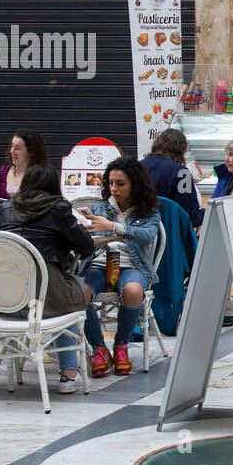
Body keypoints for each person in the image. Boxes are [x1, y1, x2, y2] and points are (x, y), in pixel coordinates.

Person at [0, 164, 94, 390]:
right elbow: (86, 247)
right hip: (46, 301)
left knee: (61, 290)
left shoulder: (6, 208)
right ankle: (69, 373)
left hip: (5, 302)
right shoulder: (58, 208)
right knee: (78, 291)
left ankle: (14, 363)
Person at [79, 157, 161, 378]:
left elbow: (148, 235)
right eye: (111, 183)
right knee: (78, 292)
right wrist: (83, 231)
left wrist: (114, 227)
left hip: (132, 266)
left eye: (121, 183)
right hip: (99, 264)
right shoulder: (100, 208)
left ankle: (120, 346)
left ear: (135, 184)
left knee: (133, 291)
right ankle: (99, 349)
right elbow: (90, 243)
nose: (114, 189)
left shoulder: (148, 211)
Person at [142, 128, 203, 228]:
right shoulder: (181, 173)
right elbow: (190, 218)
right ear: (180, 151)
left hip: (136, 234)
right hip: (169, 237)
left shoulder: (136, 167)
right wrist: (206, 213)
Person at [0, 130, 49, 200]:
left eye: (17, 148)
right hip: (5, 211)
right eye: (12, 146)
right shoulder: (4, 171)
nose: (12, 151)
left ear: (31, 151)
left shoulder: (41, 175)